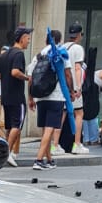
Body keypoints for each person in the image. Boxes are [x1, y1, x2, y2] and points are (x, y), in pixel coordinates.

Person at [31, 30, 71, 171]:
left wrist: (31, 98)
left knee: (45, 130)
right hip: (56, 96)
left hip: (41, 97)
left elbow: (31, 78)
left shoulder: (38, 55)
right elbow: (67, 74)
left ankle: (49, 160)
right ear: (59, 40)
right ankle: (38, 159)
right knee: (50, 129)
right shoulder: (60, 52)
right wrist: (71, 91)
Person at [0, 26, 31, 166]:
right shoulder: (19, 54)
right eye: (28, 39)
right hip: (16, 96)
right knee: (17, 124)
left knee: (9, 126)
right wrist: (27, 78)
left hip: (6, 95)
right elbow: (15, 72)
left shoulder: (4, 55)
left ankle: (6, 150)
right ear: (22, 38)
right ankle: (8, 152)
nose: (28, 41)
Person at [61, 21, 88, 154]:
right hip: (73, 86)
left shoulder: (62, 47)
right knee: (79, 113)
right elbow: (77, 68)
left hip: (61, 86)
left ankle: (55, 144)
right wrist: (77, 88)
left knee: (62, 114)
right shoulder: (78, 49)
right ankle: (76, 143)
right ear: (79, 35)